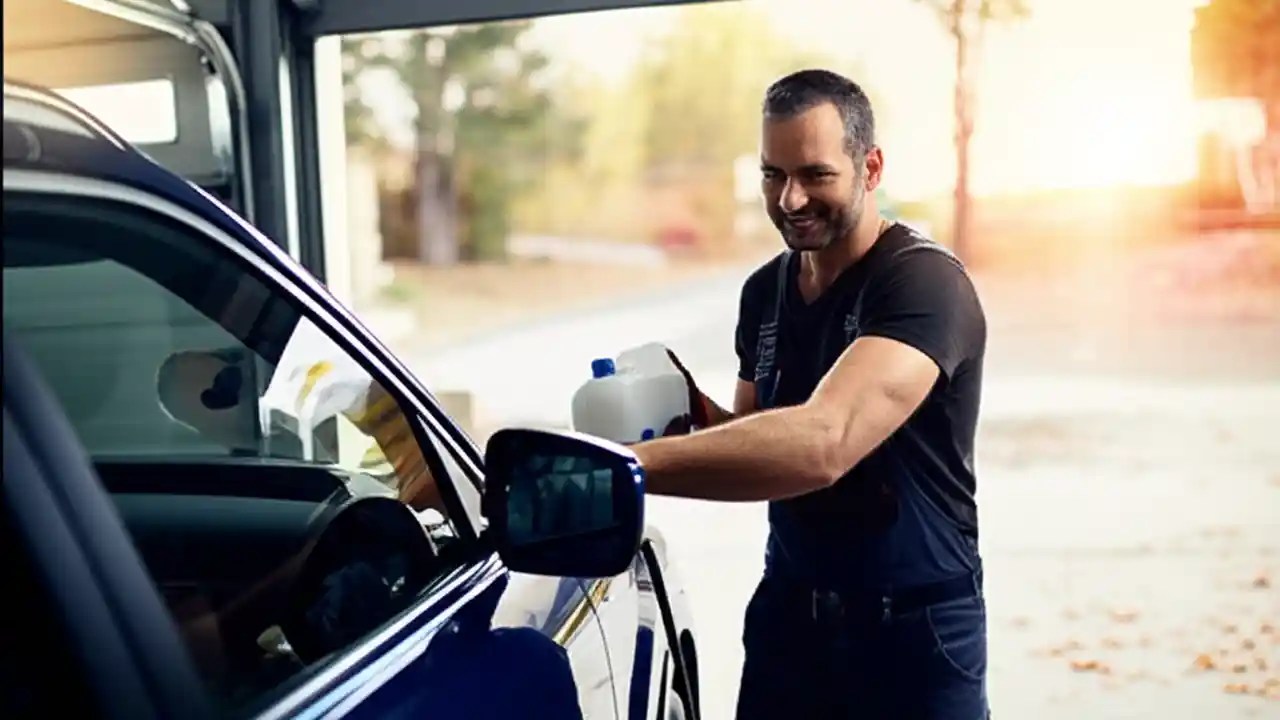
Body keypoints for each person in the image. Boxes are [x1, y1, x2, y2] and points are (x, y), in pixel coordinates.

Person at [633, 69, 989, 719]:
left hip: (913, 632)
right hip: (789, 623)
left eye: (815, 175)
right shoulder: (763, 291)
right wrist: (684, 418)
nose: (790, 199)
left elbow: (823, 443)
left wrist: (625, 466)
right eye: (773, 175)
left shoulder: (923, 284)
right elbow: (760, 436)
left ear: (871, 167)